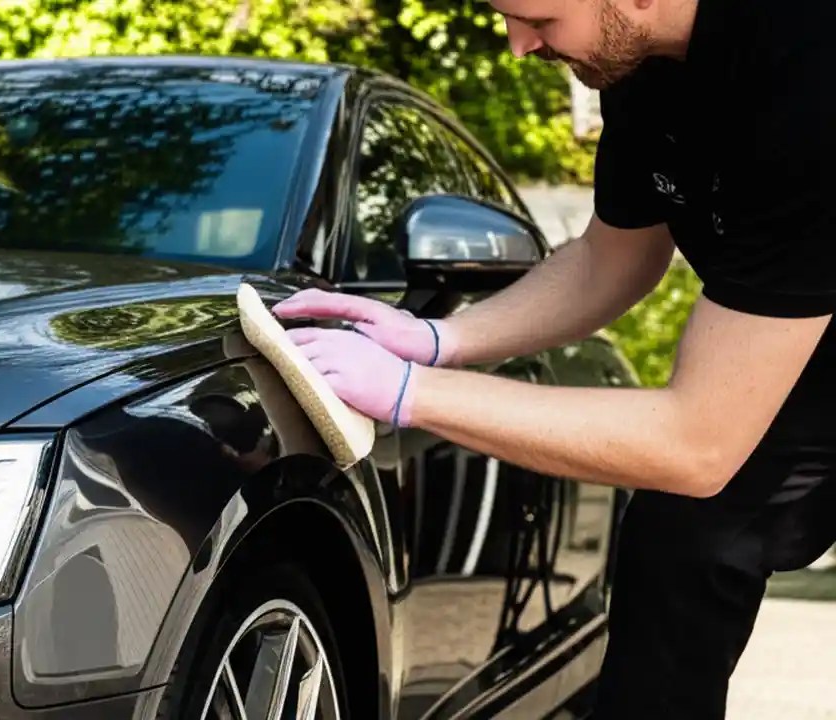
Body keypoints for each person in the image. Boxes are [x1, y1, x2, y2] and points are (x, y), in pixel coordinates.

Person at [272, 0, 836, 717]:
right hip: (801, 328)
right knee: (678, 545)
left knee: (689, 483)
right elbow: (611, 260)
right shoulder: (638, 64)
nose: (516, 45)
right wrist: (440, 340)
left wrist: (412, 394)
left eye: (534, 15)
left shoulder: (810, 71)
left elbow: (697, 443)